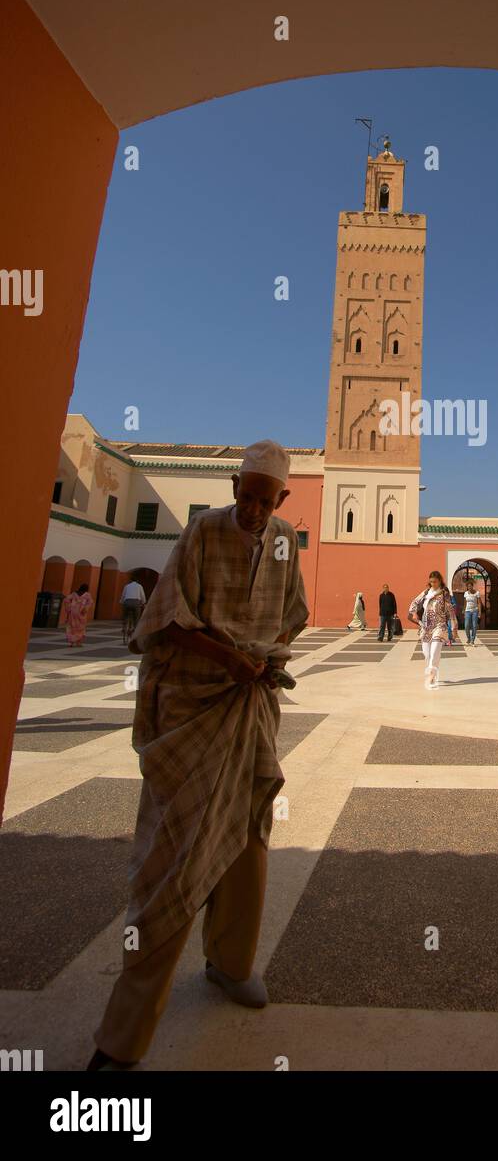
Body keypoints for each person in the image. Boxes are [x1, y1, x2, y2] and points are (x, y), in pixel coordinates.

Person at [87, 439, 308, 1071]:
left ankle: (230, 964)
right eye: (247, 496)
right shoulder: (203, 531)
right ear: (233, 485)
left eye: (267, 502)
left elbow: (292, 615)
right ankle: (122, 1038)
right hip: (196, 708)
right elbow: (165, 620)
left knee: (247, 832)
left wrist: (264, 657)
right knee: (177, 854)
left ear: (282, 499)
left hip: (251, 710)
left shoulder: (287, 538)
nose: (255, 510)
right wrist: (225, 657)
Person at [408, 571, 458, 690]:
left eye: (435, 582)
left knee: (435, 652)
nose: (433, 584)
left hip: (439, 626)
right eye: (431, 582)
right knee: (427, 655)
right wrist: (414, 612)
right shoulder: (426, 592)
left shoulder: (444, 593)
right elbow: (415, 602)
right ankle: (433, 673)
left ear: (440, 581)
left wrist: (454, 627)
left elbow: (450, 611)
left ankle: (431, 675)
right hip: (426, 627)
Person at [60, 582, 94, 647]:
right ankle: (79, 642)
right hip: (81, 613)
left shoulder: (74, 594)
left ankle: (71, 642)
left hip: (73, 612)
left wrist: (69, 607)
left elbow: (66, 600)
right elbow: (90, 602)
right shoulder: (87, 595)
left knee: (72, 626)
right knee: (80, 628)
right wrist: (85, 608)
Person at [120, 576, 147, 642]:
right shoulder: (139, 586)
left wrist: (121, 602)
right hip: (136, 603)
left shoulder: (127, 586)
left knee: (125, 617)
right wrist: (143, 603)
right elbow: (142, 596)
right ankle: (134, 631)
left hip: (127, 602)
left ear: (131, 580)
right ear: (137, 581)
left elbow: (123, 595)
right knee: (136, 619)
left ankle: (124, 627)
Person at [463, 580, 481, 646]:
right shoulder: (466, 593)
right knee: (466, 625)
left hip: (475, 611)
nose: (469, 587)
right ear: (467, 587)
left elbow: (479, 603)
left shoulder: (477, 593)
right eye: (468, 586)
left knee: (474, 626)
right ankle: (468, 638)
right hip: (467, 611)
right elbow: (465, 603)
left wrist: (480, 612)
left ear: (472, 586)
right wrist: (463, 611)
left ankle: (472, 640)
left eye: (470, 586)